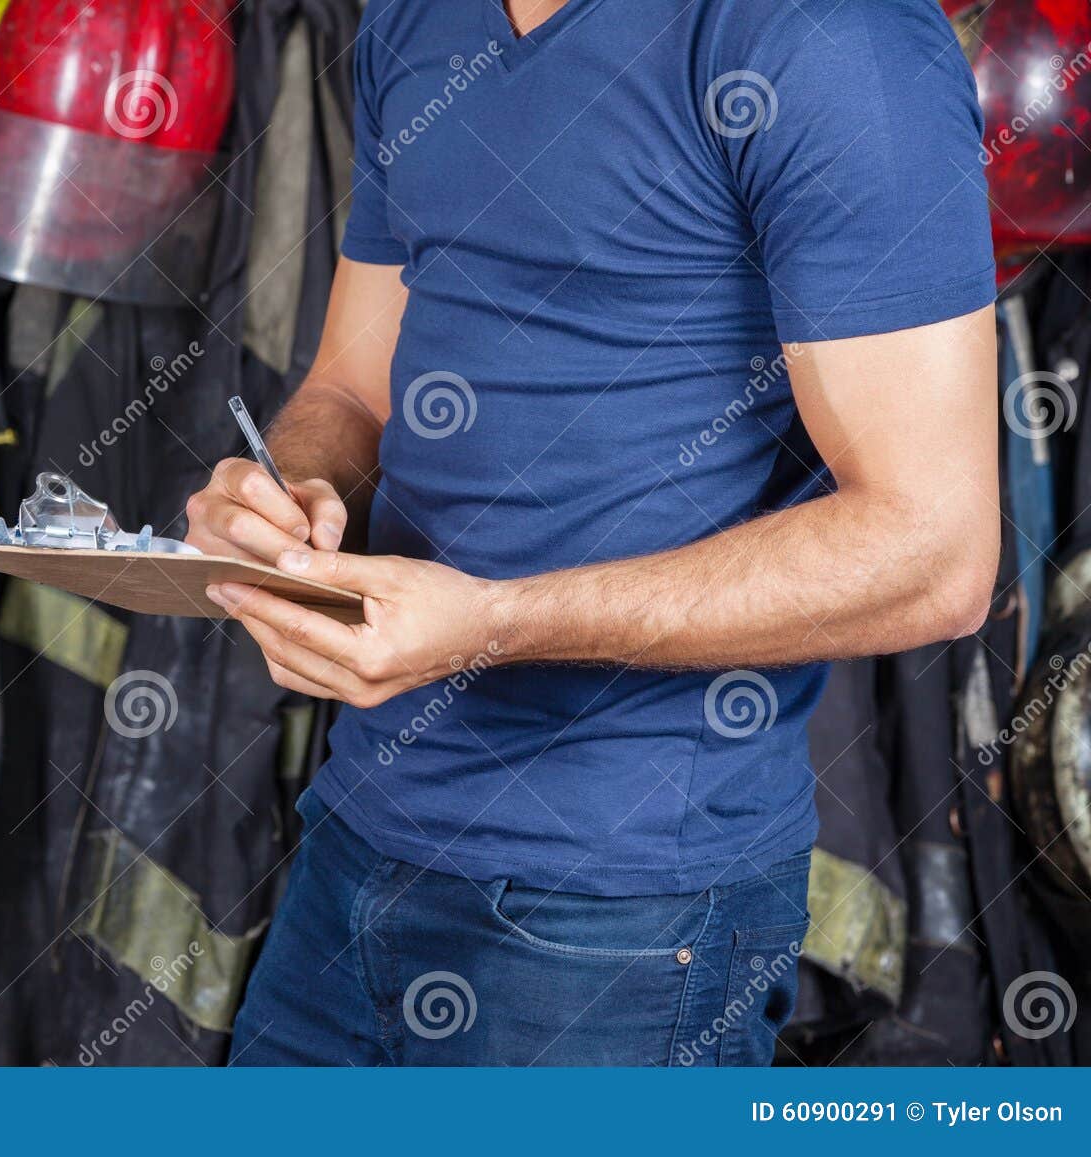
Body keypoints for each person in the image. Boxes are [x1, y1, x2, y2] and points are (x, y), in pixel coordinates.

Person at [187, 0, 998, 1065]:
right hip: (357, 831)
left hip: (623, 907)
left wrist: (491, 621)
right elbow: (354, 381)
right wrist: (288, 490)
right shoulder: (410, 21)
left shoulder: (829, 39)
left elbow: (934, 551)